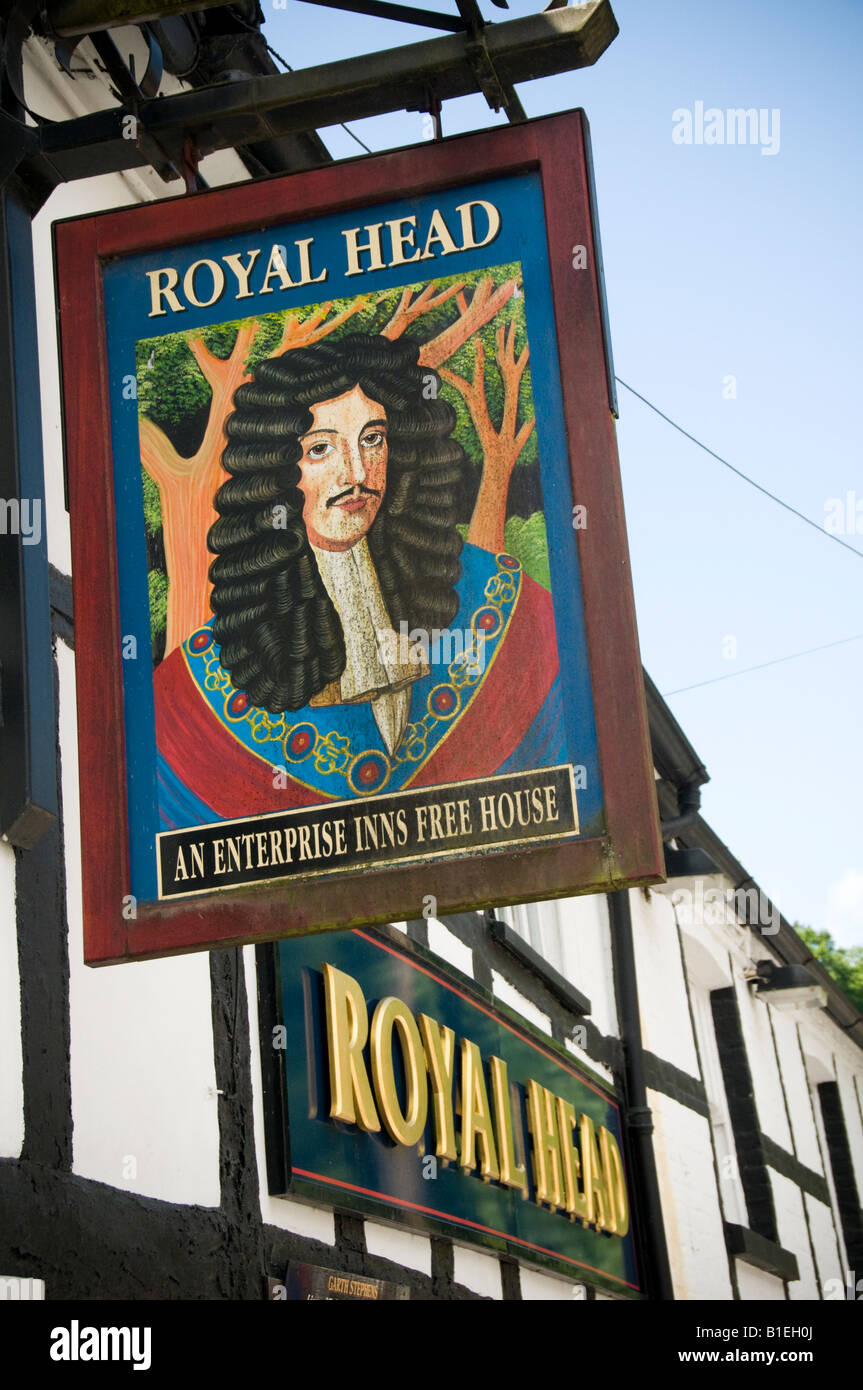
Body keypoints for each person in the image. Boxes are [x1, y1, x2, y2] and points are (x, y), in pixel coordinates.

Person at [153, 333, 563, 830]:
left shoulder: (499, 600)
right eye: (320, 448)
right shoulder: (196, 687)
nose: (357, 472)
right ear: (278, 471)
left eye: (373, 439)